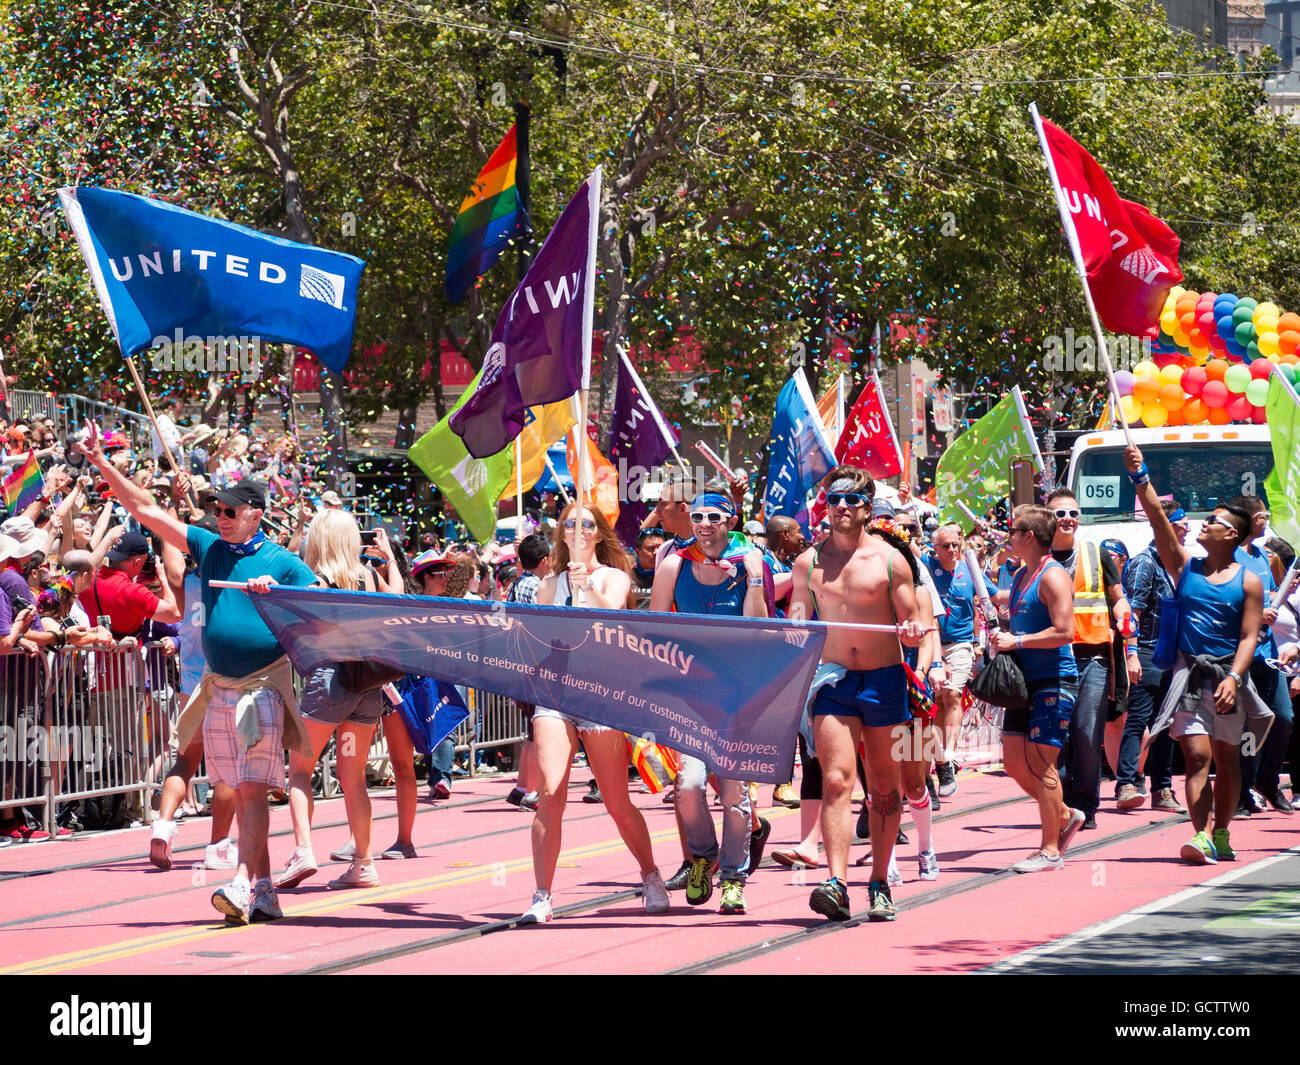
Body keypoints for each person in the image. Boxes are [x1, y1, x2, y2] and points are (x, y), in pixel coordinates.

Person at [79, 427, 318, 925]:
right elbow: (146, 509)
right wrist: (102, 464)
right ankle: (266, 890)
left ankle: (239, 884)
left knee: (252, 789)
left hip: (262, 689)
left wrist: (276, 591)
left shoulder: (285, 562)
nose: (222, 518)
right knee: (239, 787)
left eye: (231, 511)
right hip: (217, 688)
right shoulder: (209, 546)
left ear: (255, 514)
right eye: (220, 511)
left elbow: (319, 611)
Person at [787, 467, 926, 921]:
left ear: (867, 508)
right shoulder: (808, 562)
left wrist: (912, 632)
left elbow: (914, 627)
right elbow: (798, 617)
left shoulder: (890, 560)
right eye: (833, 499)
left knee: (885, 788)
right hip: (833, 681)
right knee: (835, 780)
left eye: (850, 499)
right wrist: (792, 626)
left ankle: (880, 880)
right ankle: (837, 882)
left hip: (884, 680)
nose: (841, 507)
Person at [520, 502, 668, 924]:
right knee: (550, 795)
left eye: (587, 524)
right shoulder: (548, 585)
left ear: (599, 533)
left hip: (602, 695)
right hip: (556, 696)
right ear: (562, 533)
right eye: (570, 523)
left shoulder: (615, 578)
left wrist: (588, 588)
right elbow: (541, 638)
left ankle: (650, 875)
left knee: (617, 802)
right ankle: (542, 895)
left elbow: (613, 621)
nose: (579, 530)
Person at [1124, 444, 1265, 864]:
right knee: (1197, 755)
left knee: (1227, 760)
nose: (1204, 524)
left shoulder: (1249, 582)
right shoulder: (1184, 566)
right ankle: (1200, 836)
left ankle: (1221, 832)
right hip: (1188, 676)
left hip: (1228, 679)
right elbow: (1156, 517)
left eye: (1214, 522)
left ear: (1232, 535)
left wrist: (1234, 678)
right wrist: (1140, 475)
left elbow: (1248, 637)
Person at [650, 490, 769, 916]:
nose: (704, 523)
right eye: (698, 515)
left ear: (730, 521)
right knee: (689, 786)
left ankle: (734, 878)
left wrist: (754, 577)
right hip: (691, 694)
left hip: (738, 694)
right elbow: (655, 629)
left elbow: (759, 628)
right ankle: (703, 854)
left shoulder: (750, 562)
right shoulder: (674, 563)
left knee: (734, 792)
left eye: (714, 516)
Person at [275, 509, 388, 893]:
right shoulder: (371, 576)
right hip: (367, 684)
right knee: (353, 778)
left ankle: (304, 850)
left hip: (329, 681)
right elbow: (398, 605)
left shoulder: (315, 581)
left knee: (300, 771)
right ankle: (364, 862)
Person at [1040, 487, 1138, 829]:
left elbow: (1117, 597)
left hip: (1092, 657)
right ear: (1047, 517)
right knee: (1056, 736)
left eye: (1073, 514)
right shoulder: (1037, 557)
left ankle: (1086, 806)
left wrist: (1125, 615)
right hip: (1050, 659)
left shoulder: (1097, 554)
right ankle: (1062, 804)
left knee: (1086, 732)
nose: (1068, 520)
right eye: (1060, 514)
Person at [994, 505, 1084, 873]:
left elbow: (1065, 632)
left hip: (1053, 680)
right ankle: (1063, 813)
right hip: (1023, 682)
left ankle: (1050, 849)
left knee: (1041, 763)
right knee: (1014, 762)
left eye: (1013, 530)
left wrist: (1017, 641)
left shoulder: (1053, 575)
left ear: (1029, 537)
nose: (1008, 536)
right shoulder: (1021, 575)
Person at [1117, 500, 1189, 815]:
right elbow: (1132, 612)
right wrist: (1131, 653)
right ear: (1164, 526)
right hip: (1147, 651)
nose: (1186, 528)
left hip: (1173, 655)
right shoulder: (1145, 562)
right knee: (1139, 719)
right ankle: (1127, 784)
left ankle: (1162, 789)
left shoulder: (1180, 564)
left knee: (1166, 723)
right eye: (1180, 522)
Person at [1228, 495, 1295, 815]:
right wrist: (1257, 615)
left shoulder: (1263, 558)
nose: (1266, 520)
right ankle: (1241, 793)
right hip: (1241, 655)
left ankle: (1267, 781)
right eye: (1262, 516)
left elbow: (1269, 600)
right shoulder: (1230, 558)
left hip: (1268, 655)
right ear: (1248, 520)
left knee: (1282, 718)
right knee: (1246, 727)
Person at [925, 523, 977, 799]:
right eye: (945, 546)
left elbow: (990, 597)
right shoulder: (925, 565)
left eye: (955, 544)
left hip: (959, 643)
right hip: (931, 642)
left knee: (953, 695)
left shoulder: (970, 569)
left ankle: (950, 754)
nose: (951, 550)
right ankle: (939, 759)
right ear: (935, 549)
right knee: (936, 704)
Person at [504, 533, 551, 812]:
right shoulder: (537, 587)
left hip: (519, 663)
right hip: (535, 664)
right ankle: (532, 791)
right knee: (538, 731)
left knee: (531, 729)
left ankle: (522, 785)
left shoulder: (517, 583)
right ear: (544, 560)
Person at [763, 514, 807, 810]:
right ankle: (763, 784)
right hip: (769, 649)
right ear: (784, 535)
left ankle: (785, 784)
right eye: (797, 532)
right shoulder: (764, 563)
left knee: (793, 718)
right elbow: (769, 596)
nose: (802, 536)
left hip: (793, 648)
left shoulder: (790, 563)